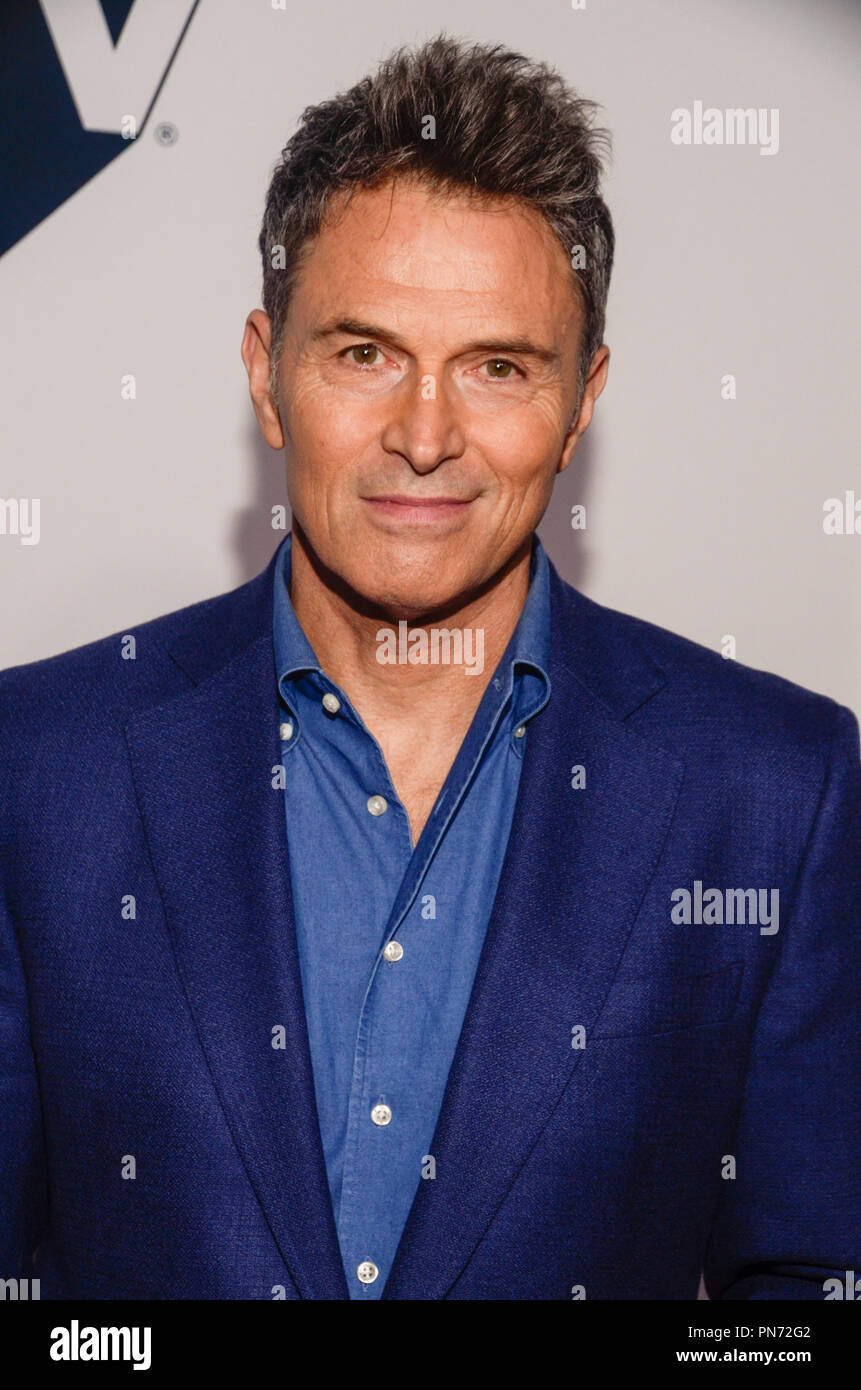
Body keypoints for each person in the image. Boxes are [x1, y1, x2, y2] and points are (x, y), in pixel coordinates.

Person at [1, 35, 858, 1301]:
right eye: (364, 353)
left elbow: (811, 1282)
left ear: (582, 400)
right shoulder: (38, 767)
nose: (424, 434)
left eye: (499, 367)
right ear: (267, 372)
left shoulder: (775, 791)